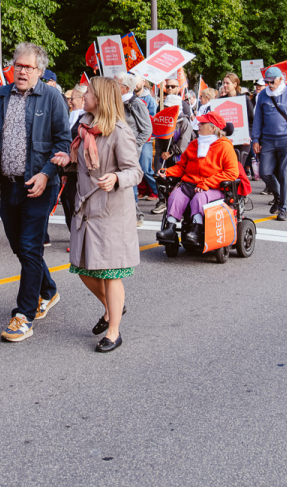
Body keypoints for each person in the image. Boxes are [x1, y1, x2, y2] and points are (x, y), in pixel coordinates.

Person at [0, 42, 72, 343]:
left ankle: (24, 315)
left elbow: (63, 143)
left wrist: (47, 174)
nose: (21, 70)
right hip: (8, 184)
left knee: (31, 246)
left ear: (39, 70)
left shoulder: (52, 97)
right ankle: (48, 290)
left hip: (39, 185)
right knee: (20, 247)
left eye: (28, 67)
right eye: (17, 65)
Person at [43, 76, 142, 353]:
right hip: (86, 209)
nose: (82, 95)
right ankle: (113, 308)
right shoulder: (85, 126)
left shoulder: (120, 132)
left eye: (88, 92)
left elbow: (136, 171)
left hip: (110, 213)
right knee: (84, 270)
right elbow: (81, 164)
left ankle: (114, 331)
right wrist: (67, 160)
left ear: (100, 98)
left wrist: (116, 178)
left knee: (111, 274)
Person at [162, 109, 241, 241]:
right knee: (176, 195)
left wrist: (206, 183)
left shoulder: (225, 147)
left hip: (213, 188)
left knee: (199, 197)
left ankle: (196, 229)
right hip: (190, 184)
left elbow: (232, 173)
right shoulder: (194, 144)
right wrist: (167, 172)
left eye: (202, 123)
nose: (198, 124)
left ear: (213, 128)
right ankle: (170, 228)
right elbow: (182, 166)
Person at [249, 66, 287, 221]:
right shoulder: (262, 96)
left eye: (272, 81)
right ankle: (279, 197)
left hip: (286, 139)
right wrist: (255, 139)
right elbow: (258, 119)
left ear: (281, 79)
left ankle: (283, 209)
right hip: (267, 140)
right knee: (264, 172)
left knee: (285, 174)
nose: (269, 84)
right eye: (267, 81)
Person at [117, 73, 155, 203]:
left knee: (130, 180)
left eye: (117, 84)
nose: (114, 86)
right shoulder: (118, 102)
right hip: (119, 148)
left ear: (126, 88)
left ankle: (135, 214)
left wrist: (134, 145)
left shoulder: (137, 103)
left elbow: (147, 129)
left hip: (130, 150)